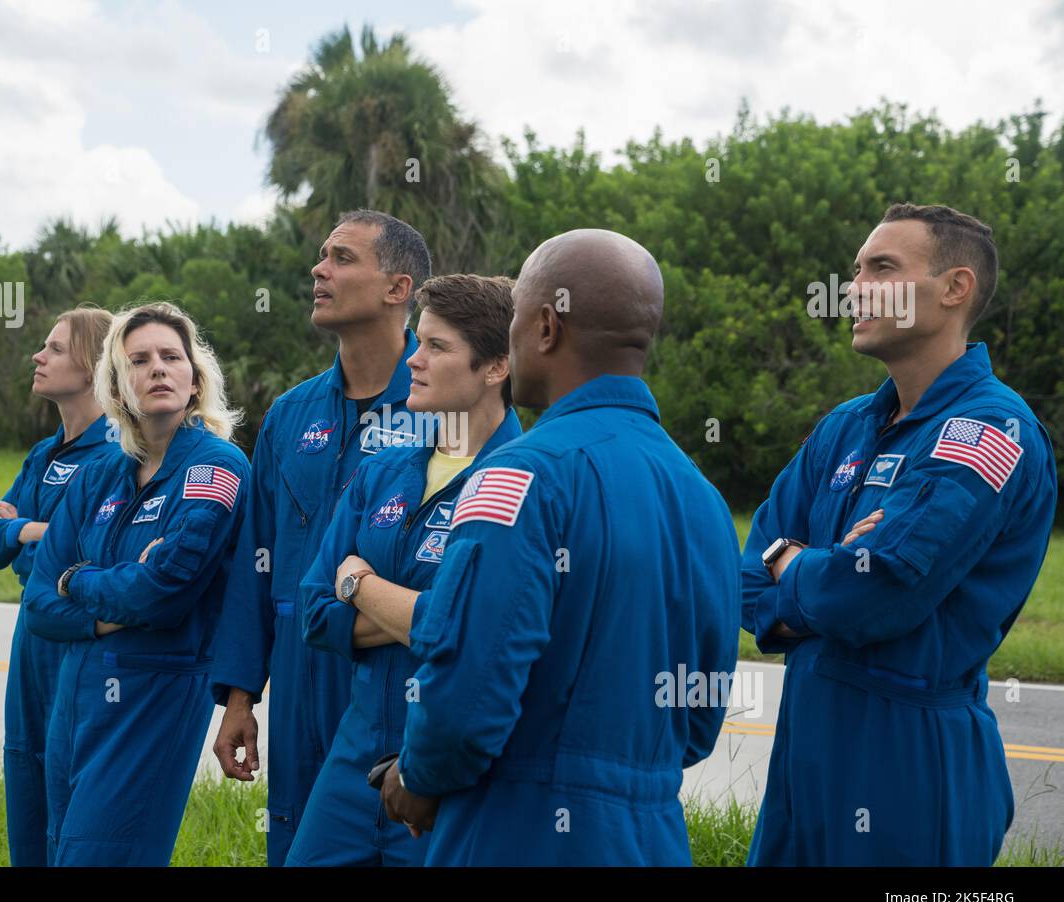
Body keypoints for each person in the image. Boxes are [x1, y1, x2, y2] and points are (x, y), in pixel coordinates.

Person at [380, 229, 741, 865]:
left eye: (516, 317)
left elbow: (468, 696)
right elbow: (699, 717)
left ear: (545, 327)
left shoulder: (519, 474)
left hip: (519, 830)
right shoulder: (705, 501)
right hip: (653, 833)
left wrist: (417, 775)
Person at [741, 203, 1057, 866]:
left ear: (954, 288)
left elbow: (879, 593)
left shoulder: (989, 432)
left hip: (909, 758)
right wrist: (822, 566)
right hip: (805, 750)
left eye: (881, 268)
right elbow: (747, 575)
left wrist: (796, 570)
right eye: (855, 270)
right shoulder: (844, 427)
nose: (854, 287)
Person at [210, 210, 433, 866]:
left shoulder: (443, 409)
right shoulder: (290, 414)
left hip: (392, 672)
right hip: (301, 670)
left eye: (341, 258)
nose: (319, 269)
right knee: (300, 839)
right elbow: (255, 563)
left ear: (397, 288)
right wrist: (241, 698)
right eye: (321, 256)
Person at [289, 274, 522, 866]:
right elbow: (315, 608)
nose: (414, 360)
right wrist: (417, 611)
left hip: (448, 770)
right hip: (354, 756)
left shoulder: (524, 479)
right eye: (420, 342)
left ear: (495, 367)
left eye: (437, 348)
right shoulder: (382, 470)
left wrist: (359, 584)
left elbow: (461, 628)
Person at [22, 302, 250, 866]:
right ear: (118, 387)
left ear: (195, 380)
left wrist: (78, 579)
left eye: (172, 357)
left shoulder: (216, 467)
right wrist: (102, 600)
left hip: (155, 695)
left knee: (101, 856)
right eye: (139, 360)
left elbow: (164, 592)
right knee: (58, 852)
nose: (158, 369)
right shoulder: (100, 472)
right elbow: (39, 605)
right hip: (74, 699)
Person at [0, 306, 117, 867]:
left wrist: (21, 528)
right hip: (30, 637)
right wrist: (31, 529)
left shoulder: (117, 456)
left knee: (69, 777)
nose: (38, 356)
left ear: (93, 364)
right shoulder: (44, 453)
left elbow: (84, 555)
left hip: (80, 641)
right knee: (25, 767)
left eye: (54, 349)